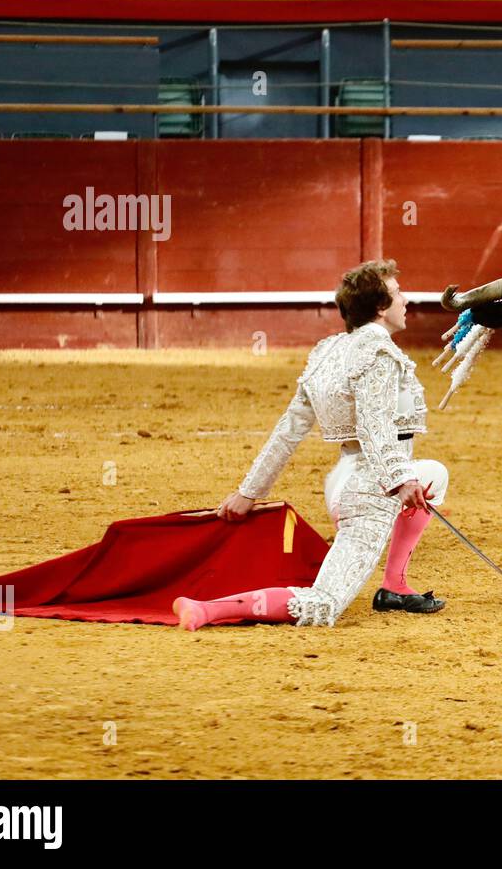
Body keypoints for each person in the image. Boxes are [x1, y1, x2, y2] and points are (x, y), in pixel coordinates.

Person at [172, 260, 450, 630]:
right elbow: (373, 426)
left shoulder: (329, 352)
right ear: (381, 307)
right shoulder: (380, 356)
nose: (406, 299)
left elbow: (289, 430)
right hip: (371, 489)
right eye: (398, 293)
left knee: (435, 475)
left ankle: (394, 586)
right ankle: (207, 610)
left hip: (342, 480)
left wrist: (249, 492)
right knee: (324, 604)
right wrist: (400, 480)